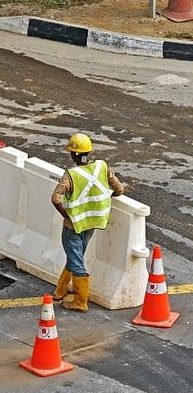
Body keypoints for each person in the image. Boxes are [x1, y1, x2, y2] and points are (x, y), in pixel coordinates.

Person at [50, 133, 124, 312]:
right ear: (89, 152)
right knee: (76, 255)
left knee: (76, 260)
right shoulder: (102, 166)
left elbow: (55, 198)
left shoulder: (71, 175)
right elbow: (119, 189)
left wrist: (66, 216)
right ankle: (61, 290)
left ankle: (80, 301)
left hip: (73, 225)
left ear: (73, 155)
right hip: (93, 222)